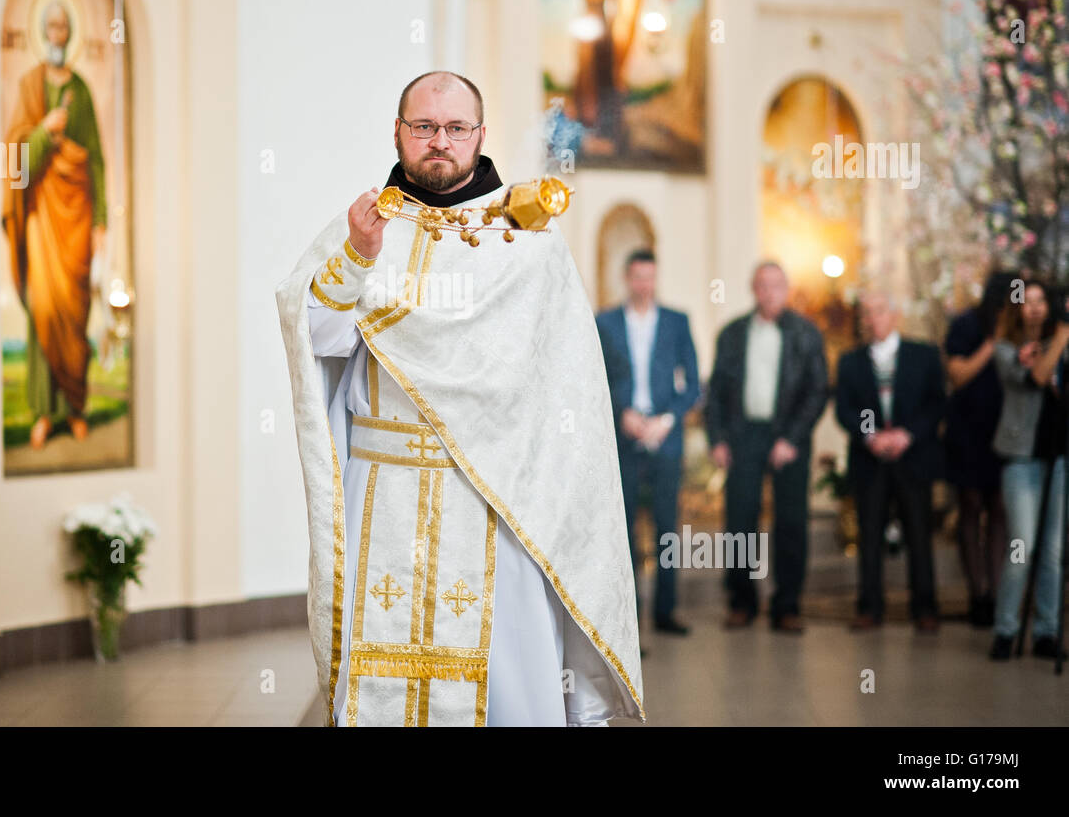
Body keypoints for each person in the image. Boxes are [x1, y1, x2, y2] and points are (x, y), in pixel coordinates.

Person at [275, 71, 643, 726]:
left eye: (454, 128)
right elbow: (321, 343)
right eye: (423, 127)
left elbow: (567, 389)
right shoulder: (365, 226)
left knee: (511, 678)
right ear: (398, 132)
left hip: (496, 490)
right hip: (382, 486)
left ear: (478, 135)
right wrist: (358, 257)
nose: (438, 141)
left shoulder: (526, 242)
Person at [1, 1, 107, 449]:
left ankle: (76, 407)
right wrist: (44, 130)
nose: (59, 33)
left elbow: (96, 159)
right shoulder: (30, 85)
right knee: (44, 310)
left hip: (76, 218)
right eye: (52, 26)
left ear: (72, 31)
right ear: (43, 32)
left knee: (75, 309)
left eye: (65, 25)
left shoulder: (81, 90)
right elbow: (16, 154)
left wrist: (101, 220)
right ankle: (45, 411)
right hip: (42, 216)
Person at [705, 261, 827, 633]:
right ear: (753, 289)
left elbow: (817, 390)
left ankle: (787, 605)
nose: (770, 292)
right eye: (762, 285)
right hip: (744, 437)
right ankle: (742, 601)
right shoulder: (732, 334)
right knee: (740, 520)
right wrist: (718, 439)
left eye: (776, 285)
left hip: (789, 438)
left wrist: (791, 439)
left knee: (791, 521)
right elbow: (716, 394)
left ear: (786, 289)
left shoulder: (806, 334)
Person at [595, 249, 700, 635]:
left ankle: (666, 612)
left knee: (666, 526)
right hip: (623, 438)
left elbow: (692, 384)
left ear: (656, 279)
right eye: (637, 277)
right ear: (628, 278)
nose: (643, 284)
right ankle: (629, 620)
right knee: (624, 530)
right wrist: (623, 413)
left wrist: (666, 420)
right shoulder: (604, 322)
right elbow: (595, 379)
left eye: (649, 277)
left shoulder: (677, 321)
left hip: (665, 437)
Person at [834, 291, 944, 633]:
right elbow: (846, 408)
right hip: (871, 462)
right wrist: (872, 436)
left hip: (913, 457)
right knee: (869, 536)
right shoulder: (850, 361)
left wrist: (906, 435)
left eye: (879, 310)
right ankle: (869, 607)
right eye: (866, 313)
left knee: (919, 535)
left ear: (895, 315)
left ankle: (924, 608)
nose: (872, 319)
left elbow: (936, 403)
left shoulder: (923, 355)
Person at [989, 277, 1068, 661]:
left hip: (1059, 457)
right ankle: (1006, 627)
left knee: (1053, 551)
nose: (1035, 307)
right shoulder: (1007, 349)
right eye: (1027, 300)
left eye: (1042, 300)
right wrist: (1062, 339)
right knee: (1023, 545)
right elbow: (1036, 377)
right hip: (1021, 459)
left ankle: (1046, 631)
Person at [942, 271, 1012, 627]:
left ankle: (998, 593)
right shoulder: (966, 324)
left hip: (1007, 431)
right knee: (970, 506)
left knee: (999, 508)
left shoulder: (1022, 328)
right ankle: (977, 593)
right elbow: (958, 376)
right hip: (969, 429)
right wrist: (993, 343)